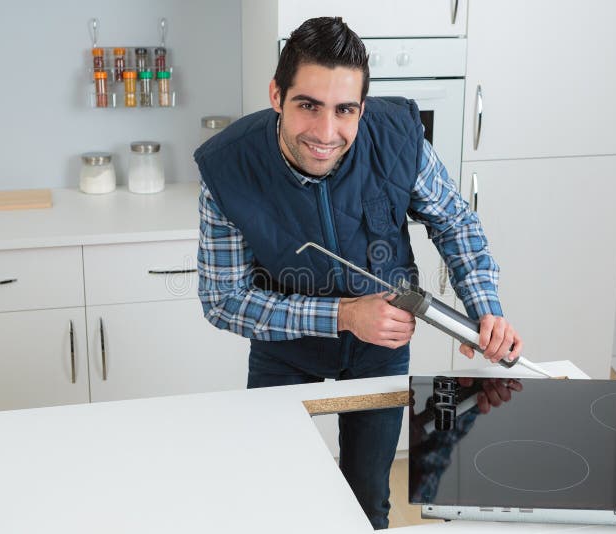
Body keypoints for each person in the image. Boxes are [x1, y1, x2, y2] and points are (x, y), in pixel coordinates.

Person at [194, 17, 522, 530]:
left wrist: (486, 311)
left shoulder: (397, 139)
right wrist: (343, 315)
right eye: (308, 106)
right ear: (277, 95)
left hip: (380, 351)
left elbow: (455, 221)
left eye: (344, 110)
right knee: (272, 499)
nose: (326, 134)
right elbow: (224, 299)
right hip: (286, 350)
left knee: (368, 504)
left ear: (362, 108)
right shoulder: (228, 168)